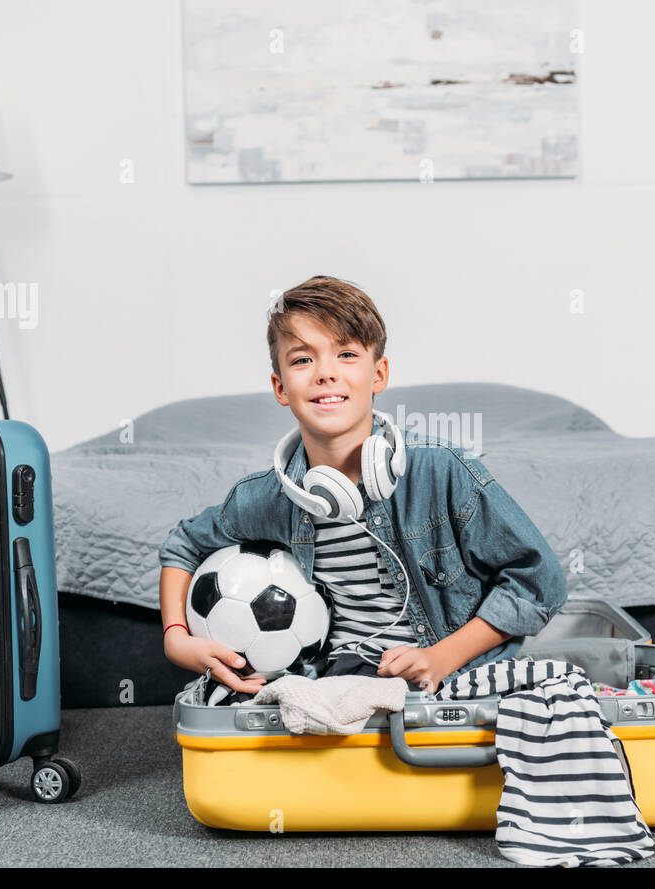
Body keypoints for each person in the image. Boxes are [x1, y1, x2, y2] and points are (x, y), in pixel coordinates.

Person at [157, 275, 567, 697]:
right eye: (302, 360)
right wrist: (176, 638)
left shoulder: (441, 471)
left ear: (378, 374)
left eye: (347, 354)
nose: (325, 373)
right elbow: (183, 544)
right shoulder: (268, 498)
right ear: (280, 386)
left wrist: (441, 657)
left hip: (451, 676)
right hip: (336, 684)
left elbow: (540, 582)